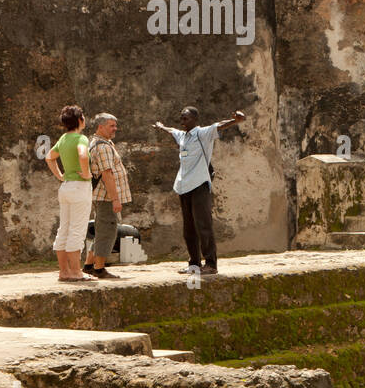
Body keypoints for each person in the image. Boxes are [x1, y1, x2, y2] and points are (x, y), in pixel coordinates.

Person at [153, 106, 245, 275]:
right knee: (188, 228)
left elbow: (219, 125)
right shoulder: (182, 136)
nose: (183, 121)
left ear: (195, 119)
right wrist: (161, 126)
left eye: (186, 118)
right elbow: (171, 130)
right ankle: (194, 263)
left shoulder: (202, 133)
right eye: (181, 118)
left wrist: (235, 121)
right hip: (183, 186)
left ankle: (211, 263)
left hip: (199, 185)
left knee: (203, 225)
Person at [45, 105, 94, 282]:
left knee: (64, 228)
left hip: (66, 187)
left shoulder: (64, 138)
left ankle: (64, 271)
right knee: (77, 230)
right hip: (80, 187)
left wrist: (59, 175)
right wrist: (87, 172)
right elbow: (82, 155)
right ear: (80, 120)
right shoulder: (81, 138)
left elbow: (49, 157)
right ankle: (76, 271)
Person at [85, 112, 131, 280]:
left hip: (103, 196)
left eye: (115, 125)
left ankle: (89, 265)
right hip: (105, 197)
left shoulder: (101, 143)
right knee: (107, 230)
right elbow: (107, 174)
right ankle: (99, 268)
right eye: (111, 126)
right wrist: (115, 199)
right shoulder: (103, 147)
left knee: (101, 229)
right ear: (100, 127)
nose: (115, 129)